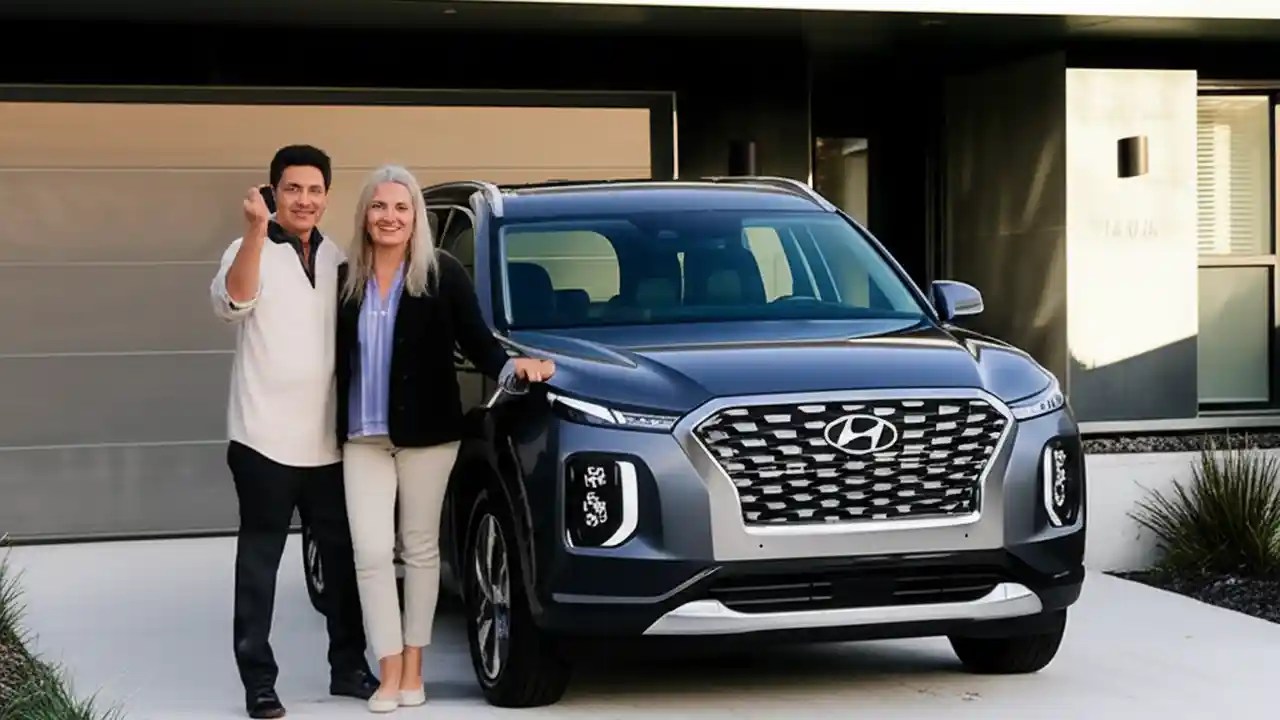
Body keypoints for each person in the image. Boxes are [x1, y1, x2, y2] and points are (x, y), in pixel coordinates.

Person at [334, 164, 554, 713]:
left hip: (428, 437)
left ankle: (414, 665)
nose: (390, 217)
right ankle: (387, 669)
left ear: (416, 217)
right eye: (380, 206)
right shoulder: (345, 280)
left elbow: (479, 342)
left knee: (421, 549)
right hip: (362, 438)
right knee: (369, 553)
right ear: (364, 214)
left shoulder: (441, 273)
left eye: (401, 207)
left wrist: (514, 369)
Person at [210, 145, 379, 719]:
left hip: (329, 445)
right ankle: (258, 680)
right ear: (271, 193)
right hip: (262, 440)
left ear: (327, 195)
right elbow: (234, 301)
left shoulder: (337, 257)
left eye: (314, 190)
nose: (304, 200)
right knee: (260, 563)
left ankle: (348, 667)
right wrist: (256, 232)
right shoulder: (247, 247)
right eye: (291, 189)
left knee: (341, 560)